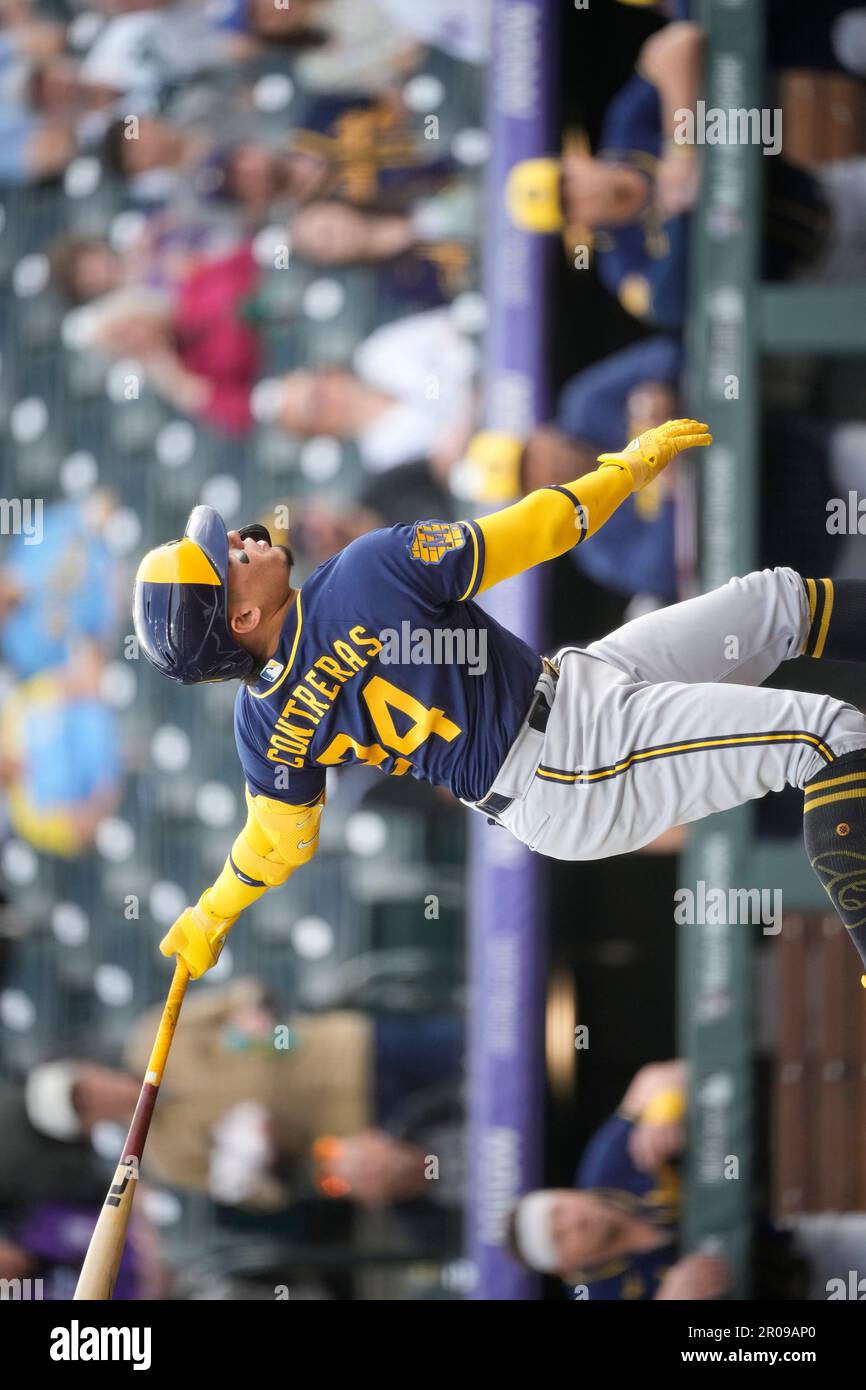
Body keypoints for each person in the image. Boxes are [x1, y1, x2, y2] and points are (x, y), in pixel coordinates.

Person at [132, 418, 866, 992]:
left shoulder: (261, 727)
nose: (238, 538)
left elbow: (278, 846)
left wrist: (213, 911)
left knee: (773, 603)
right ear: (239, 622)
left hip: (575, 695)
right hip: (568, 766)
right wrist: (625, 468)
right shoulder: (360, 571)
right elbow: (546, 528)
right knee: (829, 738)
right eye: (225, 560)